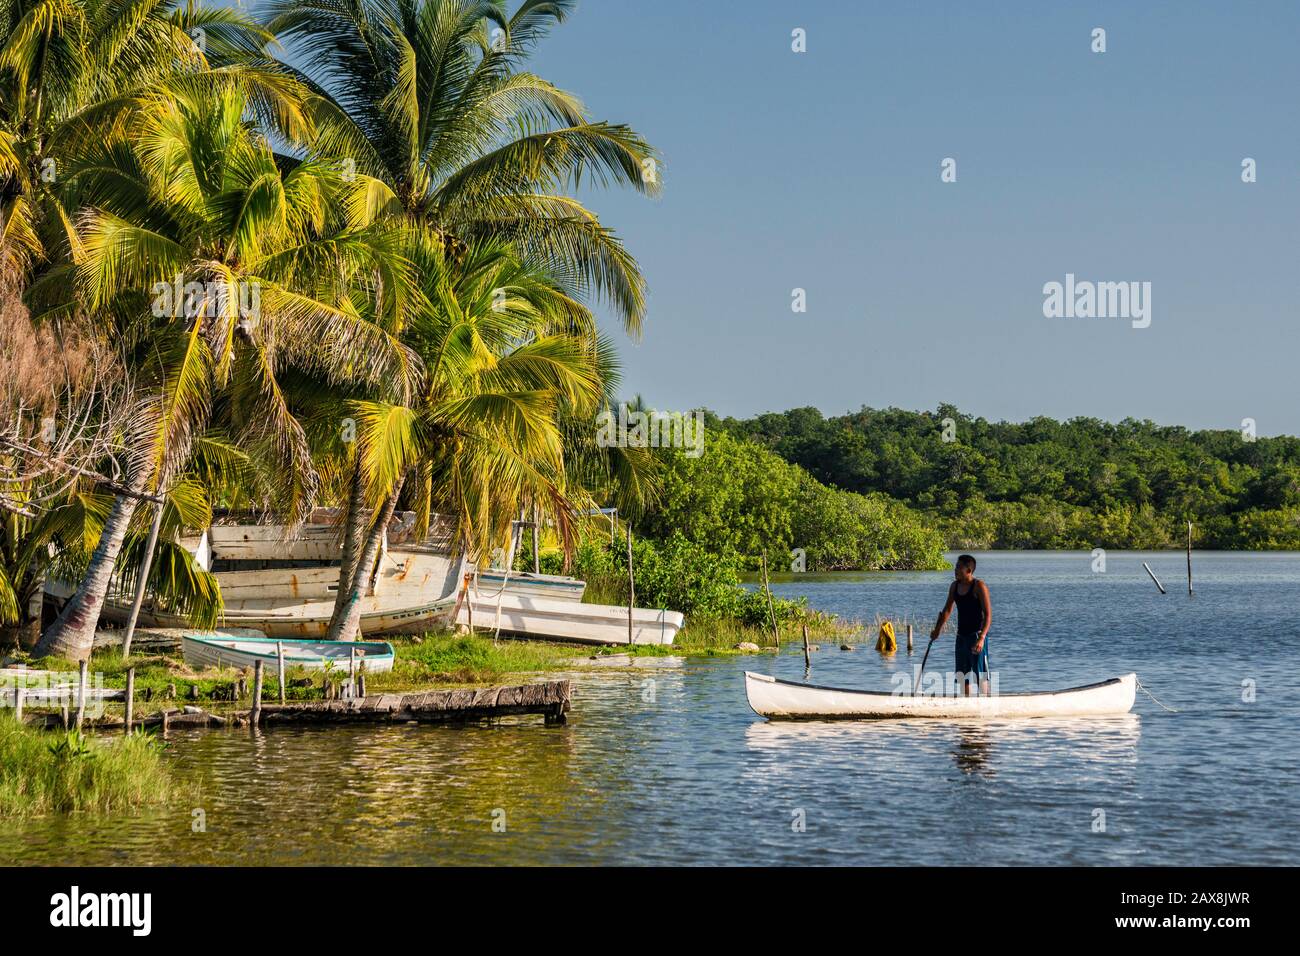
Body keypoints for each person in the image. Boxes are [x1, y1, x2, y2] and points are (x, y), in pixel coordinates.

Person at [930, 554, 991, 695]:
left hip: (976, 636)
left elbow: (988, 615)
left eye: (959, 567)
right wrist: (937, 631)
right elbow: (947, 610)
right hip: (961, 637)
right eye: (956, 566)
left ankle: (987, 702)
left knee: (980, 675)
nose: (955, 570)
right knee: (962, 676)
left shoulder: (979, 586)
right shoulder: (954, 586)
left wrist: (982, 638)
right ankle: (966, 704)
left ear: (969, 570)